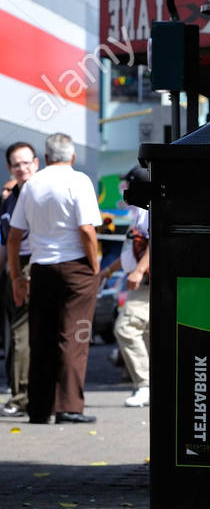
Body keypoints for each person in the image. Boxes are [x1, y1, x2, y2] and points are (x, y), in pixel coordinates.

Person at [6, 133, 101, 424]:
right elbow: (86, 230)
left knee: (41, 338)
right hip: (75, 267)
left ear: (45, 158)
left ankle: (39, 408)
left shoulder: (32, 184)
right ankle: (69, 406)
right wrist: (94, 265)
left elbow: (13, 237)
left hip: (41, 267)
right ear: (72, 157)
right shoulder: (79, 181)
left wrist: (16, 278)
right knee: (75, 336)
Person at [98, 166, 151, 407]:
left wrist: (139, 270)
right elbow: (133, 250)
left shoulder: (150, 211)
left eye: (126, 185)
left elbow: (156, 243)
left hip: (146, 282)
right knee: (147, 334)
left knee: (126, 328)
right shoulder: (140, 212)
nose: (122, 190)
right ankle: (153, 385)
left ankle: (145, 384)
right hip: (142, 282)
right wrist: (109, 271)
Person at [1, 142, 39, 417]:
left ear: (37, 163)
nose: (22, 168)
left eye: (27, 163)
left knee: (24, 331)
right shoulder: (10, 199)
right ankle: (21, 394)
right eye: (17, 164)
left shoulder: (41, 192)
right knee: (19, 332)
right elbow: (6, 243)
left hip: (38, 263)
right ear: (9, 168)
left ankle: (24, 395)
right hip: (17, 267)